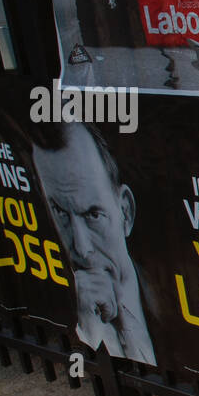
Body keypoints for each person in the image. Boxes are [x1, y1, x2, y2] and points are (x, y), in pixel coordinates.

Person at [31, 119, 156, 366]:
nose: (81, 248)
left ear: (126, 212)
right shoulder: (46, 304)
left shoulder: (178, 299)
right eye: (60, 213)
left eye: (93, 215)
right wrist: (89, 333)